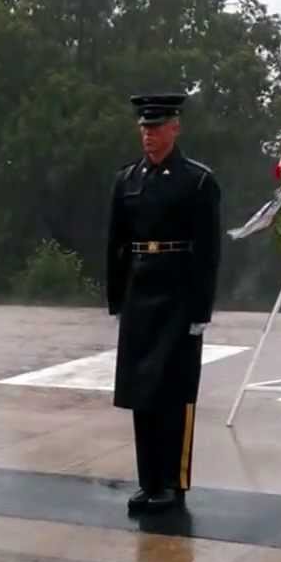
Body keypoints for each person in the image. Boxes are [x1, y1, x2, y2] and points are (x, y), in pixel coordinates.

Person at [106, 93, 221, 515]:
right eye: (143, 128)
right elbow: (116, 243)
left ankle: (173, 482)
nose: (148, 136)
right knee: (141, 392)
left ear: (175, 127)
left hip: (177, 294)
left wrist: (200, 311)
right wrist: (116, 296)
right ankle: (148, 479)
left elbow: (208, 252)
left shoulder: (197, 181)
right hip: (141, 291)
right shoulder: (128, 179)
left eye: (156, 128)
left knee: (173, 394)